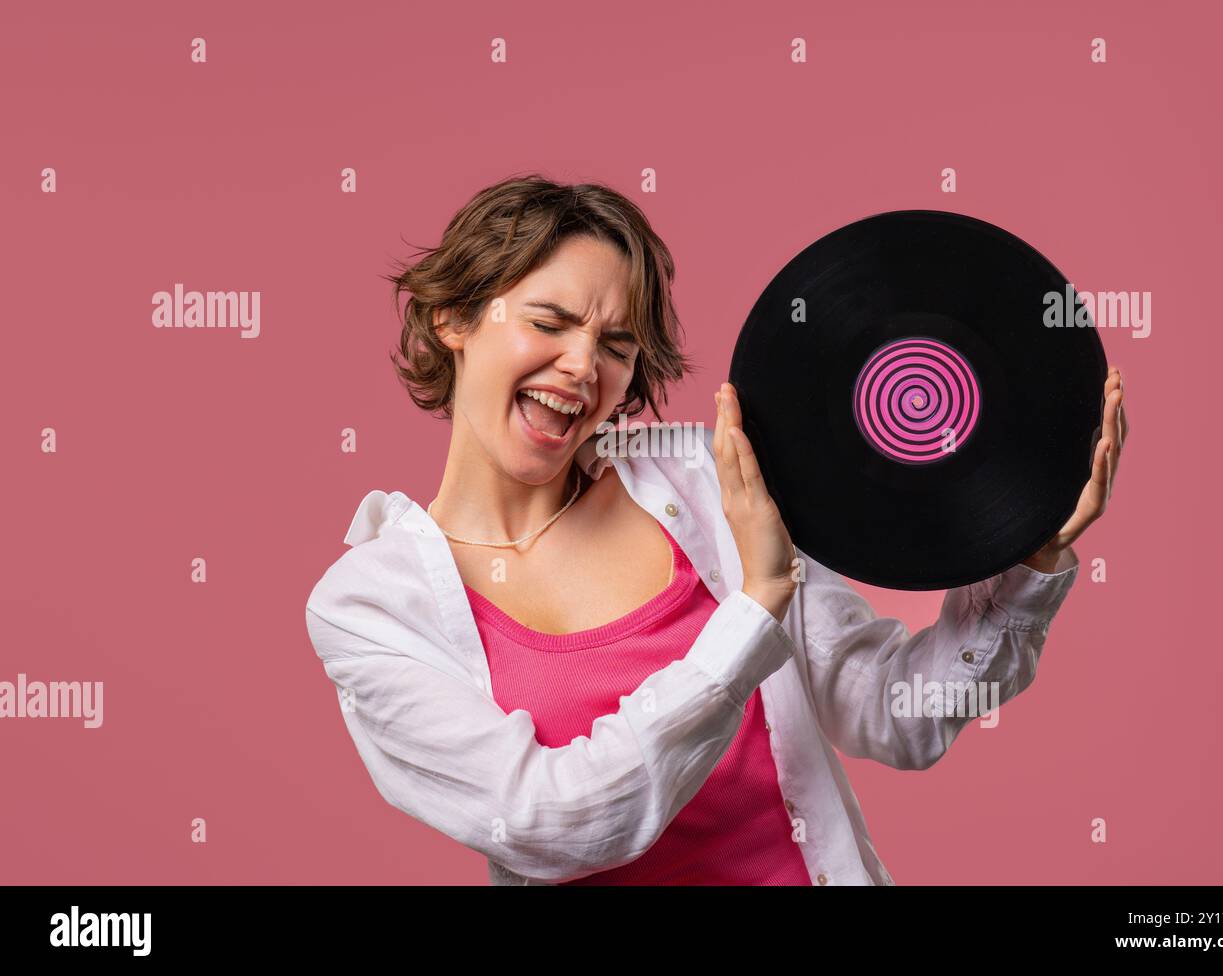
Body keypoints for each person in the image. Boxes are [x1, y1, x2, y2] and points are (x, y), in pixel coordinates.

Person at [304, 173, 1129, 885]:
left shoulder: (704, 482)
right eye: (550, 323)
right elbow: (549, 825)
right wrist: (755, 610)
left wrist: (1024, 561)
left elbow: (892, 714)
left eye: (616, 344)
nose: (584, 367)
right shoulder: (372, 606)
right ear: (453, 318)